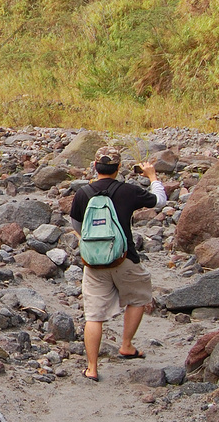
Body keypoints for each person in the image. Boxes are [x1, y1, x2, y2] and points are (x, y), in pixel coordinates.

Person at [69, 146, 167, 381]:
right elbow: (160, 201)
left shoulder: (83, 194)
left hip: (93, 263)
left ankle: (92, 368)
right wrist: (152, 177)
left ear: (95, 166)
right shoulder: (128, 191)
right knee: (139, 297)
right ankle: (126, 345)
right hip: (124, 258)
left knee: (93, 316)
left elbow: (76, 227)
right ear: (118, 168)